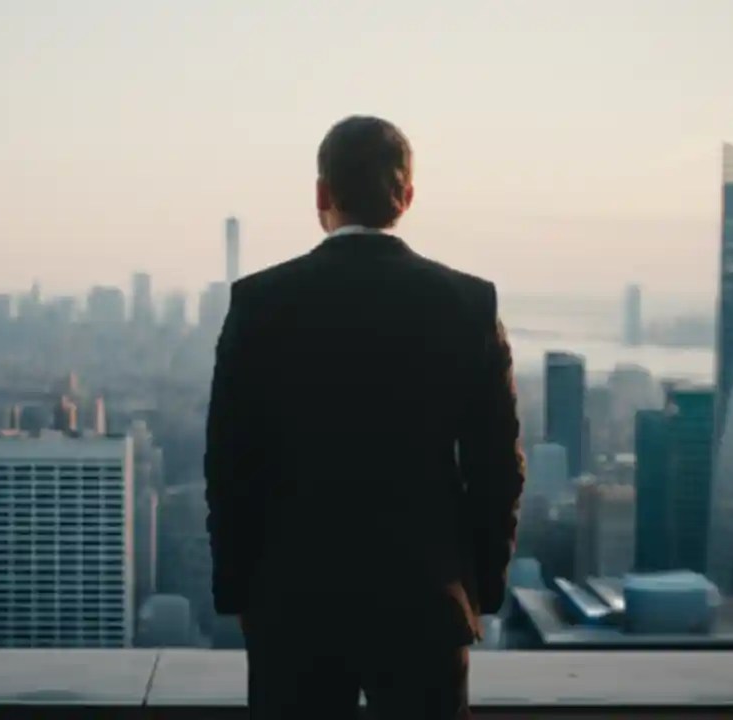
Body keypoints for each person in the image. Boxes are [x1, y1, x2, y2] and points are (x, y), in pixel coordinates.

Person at [205, 115, 525, 719]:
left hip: (292, 604)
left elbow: (229, 465)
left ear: (322, 196)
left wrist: (241, 592)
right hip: (425, 604)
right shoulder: (467, 304)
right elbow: (498, 470)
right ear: (406, 198)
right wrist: (476, 587)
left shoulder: (259, 303)